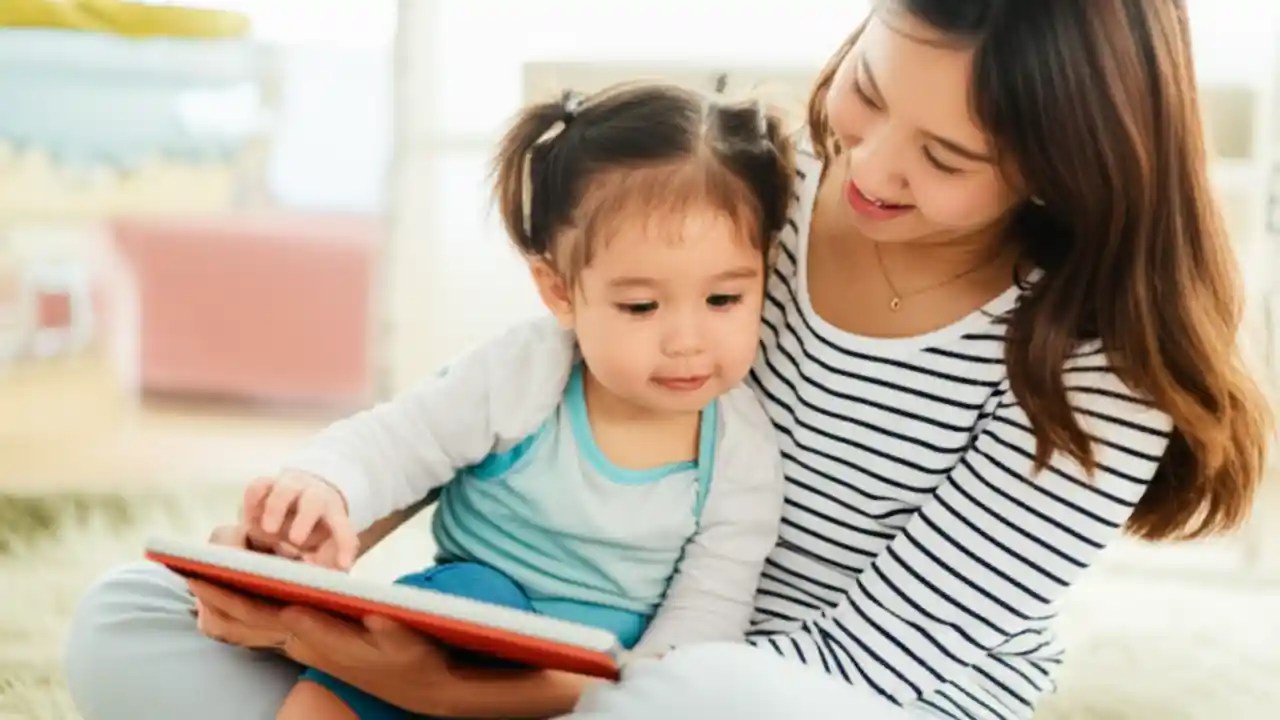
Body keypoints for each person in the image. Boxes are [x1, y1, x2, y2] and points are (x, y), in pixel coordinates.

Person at [66, 2, 1273, 719]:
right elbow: (521, 400)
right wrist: (320, 561)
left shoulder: (1092, 368)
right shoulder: (750, 200)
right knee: (130, 617)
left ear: (1068, 165)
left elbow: (878, 660)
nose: (868, 167)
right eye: (866, 91)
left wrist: (475, 694)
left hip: (807, 695)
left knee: (706, 699)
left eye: (943, 158)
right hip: (567, 640)